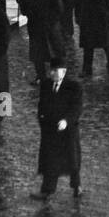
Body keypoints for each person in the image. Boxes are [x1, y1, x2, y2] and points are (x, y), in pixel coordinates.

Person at [31, 58, 83, 201]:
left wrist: (66, 121)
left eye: (56, 70)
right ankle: (47, 190)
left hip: (68, 130)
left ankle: (76, 185)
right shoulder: (46, 85)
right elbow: (42, 105)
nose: (52, 73)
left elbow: (77, 108)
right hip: (50, 129)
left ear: (64, 72)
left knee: (72, 159)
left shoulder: (74, 87)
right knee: (50, 160)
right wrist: (42, 121)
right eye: (51, 70)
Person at [21, 0, 66, 83]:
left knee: (54, 52)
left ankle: (57, 76)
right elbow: (24, 8)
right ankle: (40, 76)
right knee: (37, 55)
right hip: (35, 27)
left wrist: (50, 22)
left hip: (50, 27)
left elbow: (59, 8)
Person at [75, 0, 108, 77]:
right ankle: (86, 69)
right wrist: (78, 15)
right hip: (87, 16)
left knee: (105, 42)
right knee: (87, 44)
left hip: (99, 16)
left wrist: (105, 13)